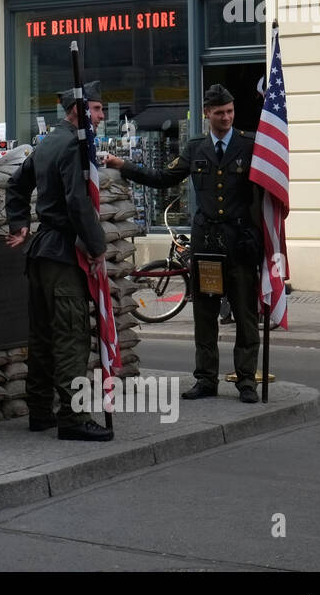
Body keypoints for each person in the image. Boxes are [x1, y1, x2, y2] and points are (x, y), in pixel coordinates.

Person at [104, 85, 263, 403]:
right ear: (207, 113)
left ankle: (246, 381)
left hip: (240, 241)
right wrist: (126, 167)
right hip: (207, 244)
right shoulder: (195, 149)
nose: (226, 117)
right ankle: (205, 379)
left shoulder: (250, 145)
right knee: (205, 314)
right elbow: (164, 177)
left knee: (245, 315)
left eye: (230, 111)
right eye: (219, 112)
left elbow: (267, 190)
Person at [5, 80, 113, 442]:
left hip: (40, 252)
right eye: (97, 109)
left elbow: (17, 185)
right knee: (71, 338)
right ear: (78, 111)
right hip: (64, 252)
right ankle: (73, 417)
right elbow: (78, 203)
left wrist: (19, 224)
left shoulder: (48, 142)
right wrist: (97, 246)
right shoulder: (73, 145)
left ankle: (39, 410)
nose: (101, 115)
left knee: (43, 337)